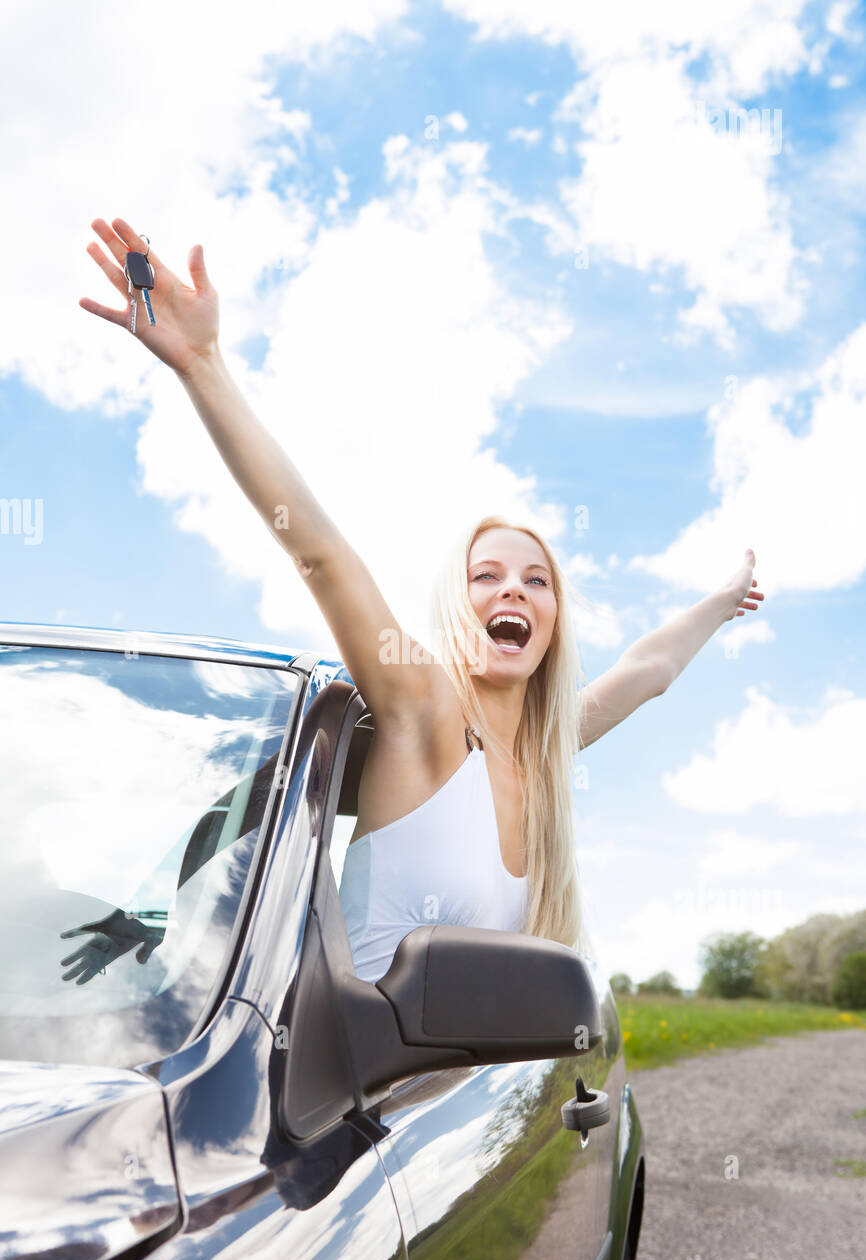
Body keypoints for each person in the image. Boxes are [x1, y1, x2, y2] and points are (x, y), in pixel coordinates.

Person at [79, 219, 765, 982]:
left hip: (468, 1095)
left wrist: (725, 597)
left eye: (537, 581)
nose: (513, 588)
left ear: (553, 625)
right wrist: (203, 364)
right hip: (357, 1098)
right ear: (456, 606)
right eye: (488, 576)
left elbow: (651, 668)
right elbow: (320, 553)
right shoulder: (421, 708)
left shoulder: (544, 755)